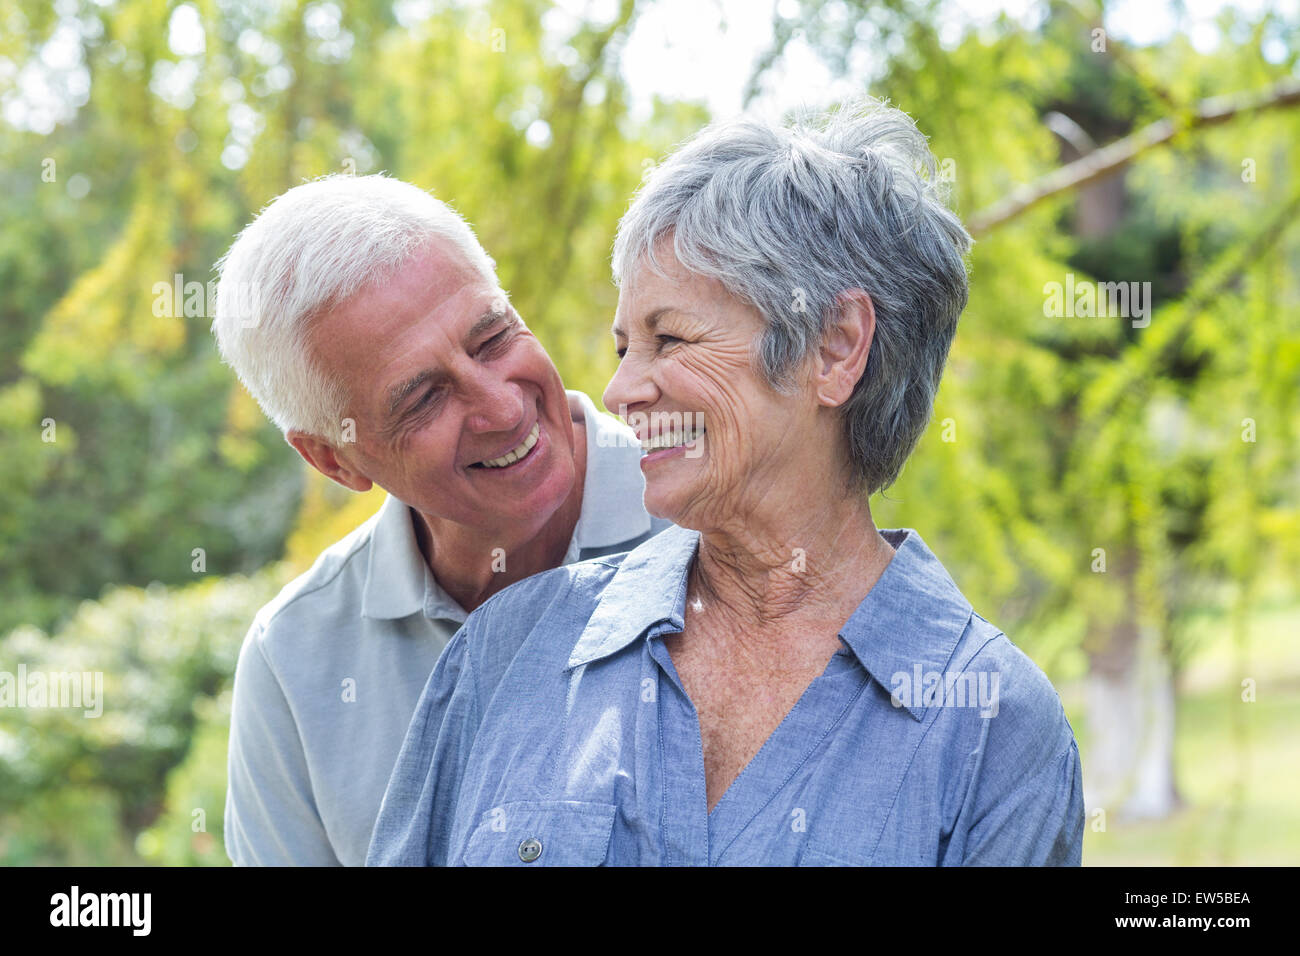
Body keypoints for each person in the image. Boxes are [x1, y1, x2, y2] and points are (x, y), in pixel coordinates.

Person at [367, 100, 1085, 866]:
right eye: (622, 349)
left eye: (668, 338)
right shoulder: (505, 652)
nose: (619, 393)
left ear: (835, 348)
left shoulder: (993, 728)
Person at [213, 174, 671, 865]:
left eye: (492, 339)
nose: (505, 409)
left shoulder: (724, 527)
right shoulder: (295, 660)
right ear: (334, 461)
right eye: (423, 398)